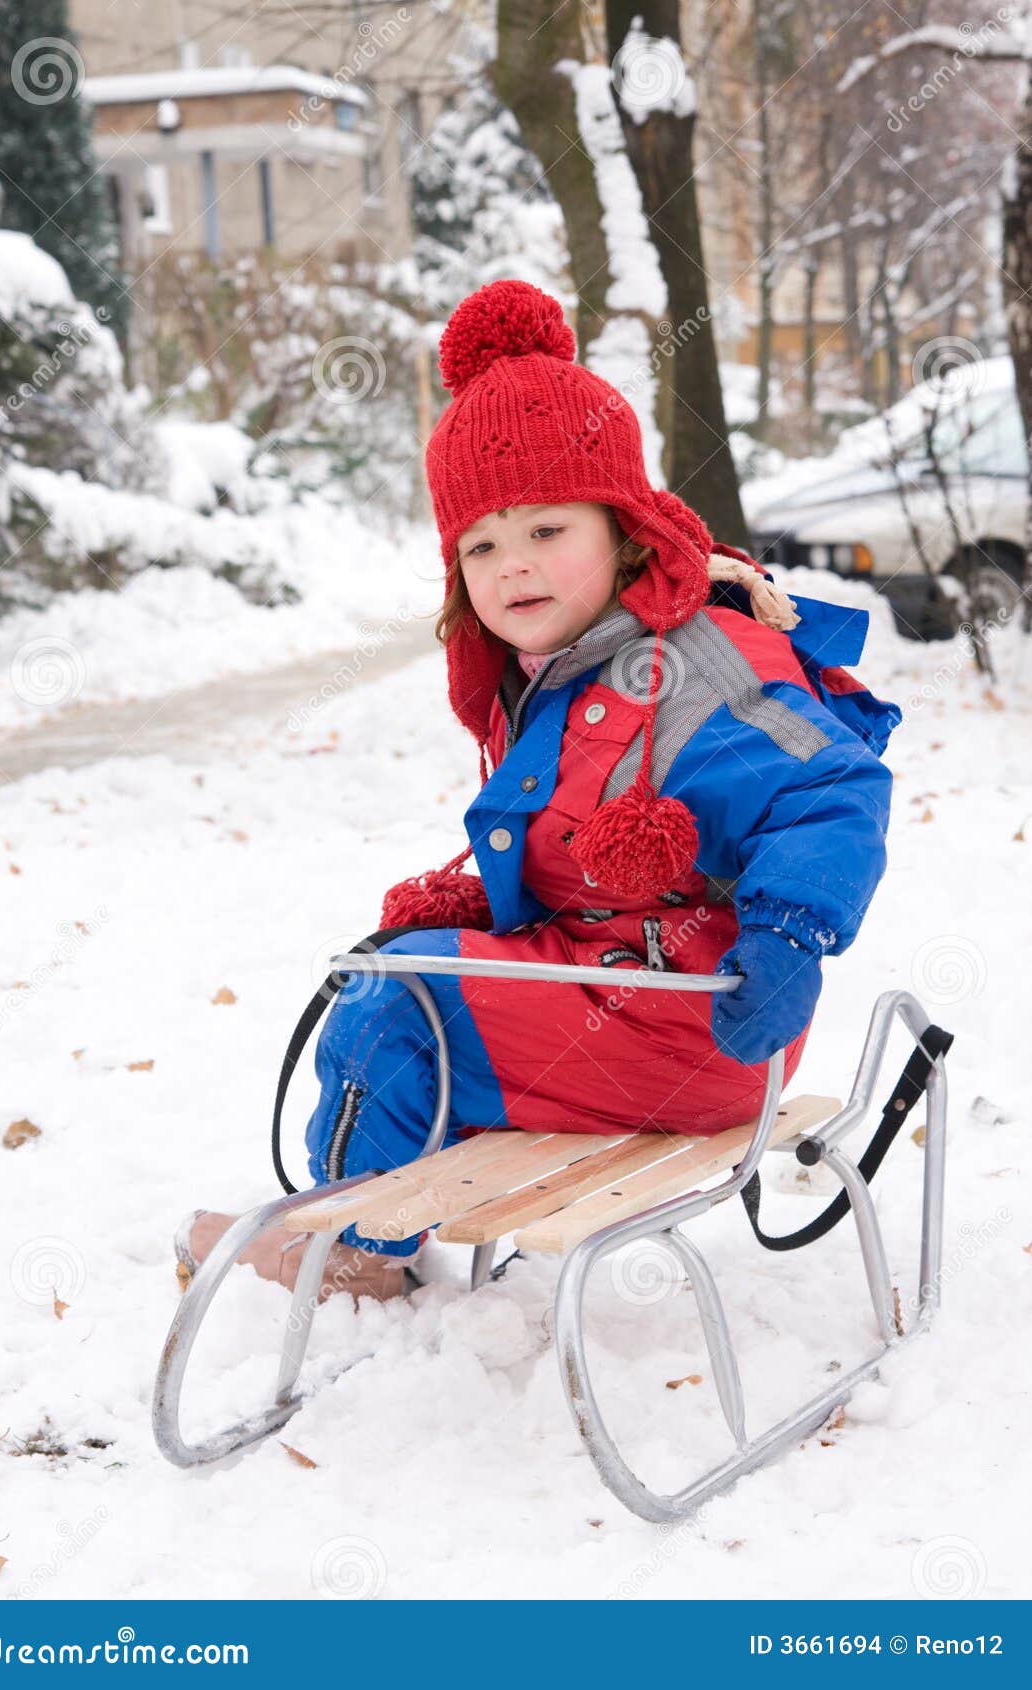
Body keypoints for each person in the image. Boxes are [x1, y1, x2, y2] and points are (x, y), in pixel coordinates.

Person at [178, 280, 900, 1304]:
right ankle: (383, 1198)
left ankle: (353, 1244)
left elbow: (833, 787)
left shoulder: (695, 666)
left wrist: (784, 931)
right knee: (404, 967)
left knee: (400, 1003)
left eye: (546, 531)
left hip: (698, 1023)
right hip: (624, 996)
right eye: (480, 545)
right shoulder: (554, 679)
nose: (511, 566)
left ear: (624, 528)